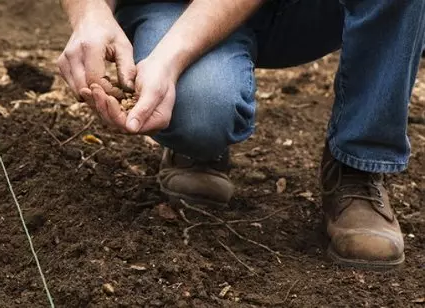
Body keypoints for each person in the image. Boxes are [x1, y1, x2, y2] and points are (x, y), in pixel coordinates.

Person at [57, 0, 425, 269]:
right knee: (200, 111)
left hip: (305, 11)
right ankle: (200, 142)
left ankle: (357, 163)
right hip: (177, 6)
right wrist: (89, 13)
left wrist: (169, 59)